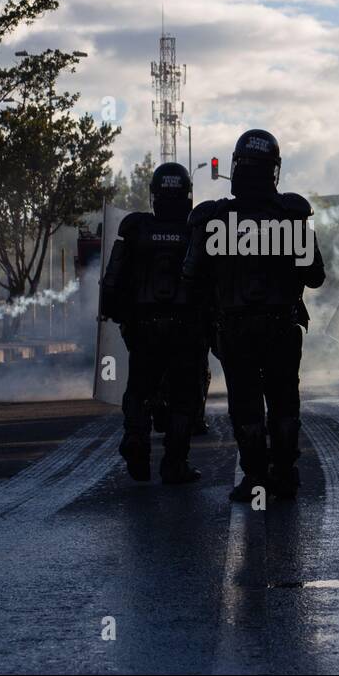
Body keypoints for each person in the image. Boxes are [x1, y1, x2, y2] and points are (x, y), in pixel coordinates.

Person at [183, 129, 325, 502]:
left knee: (245, 403)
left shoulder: (214, 217)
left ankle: (256, 478)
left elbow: (191, 275)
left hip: (236, 326)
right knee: (283, 400)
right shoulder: (291, 214)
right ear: (273, 169)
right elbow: (316, 275)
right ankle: (285, 474)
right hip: (281, 324)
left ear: (237, 166)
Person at [99, 162, 203, 485]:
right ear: (186, 194)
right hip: (185, 330)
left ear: (154, 195)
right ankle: (174, 463)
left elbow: (112, 282)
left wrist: (118, 316)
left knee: (139, 389)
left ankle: (136, 439)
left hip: (143, 329)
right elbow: (211, 282)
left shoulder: (135, 230)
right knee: (185, 396)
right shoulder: (195, 232)